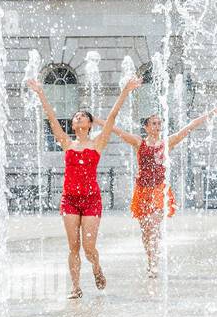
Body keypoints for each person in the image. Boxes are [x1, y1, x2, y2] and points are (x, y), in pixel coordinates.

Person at [27, 75, 141, 298]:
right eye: (76, 117)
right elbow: (51, 119)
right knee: (73, 247)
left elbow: (111, 117)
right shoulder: (67, 143)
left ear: (89, 124)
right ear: (73, 124)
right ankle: (76, 287)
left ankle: (96, 267)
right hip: (69, 200)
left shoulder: (98, 143)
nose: (78, 118)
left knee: (89, 249)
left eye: (83, 117)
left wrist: (125, 91)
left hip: (91, 200)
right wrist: (41, 94)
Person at [112, 106, 217, 278]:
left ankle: (154, 264)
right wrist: (99, 121)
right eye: (153, 124)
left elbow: (189, 127)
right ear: (146, 127)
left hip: (159, 190)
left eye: (159, 123)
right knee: (146, 231)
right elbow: (119, 132)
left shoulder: (166, 143)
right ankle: (150, 260)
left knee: (155, 227)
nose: (157, 126)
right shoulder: (139, 142)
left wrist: (209, 114)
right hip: (142, 191)